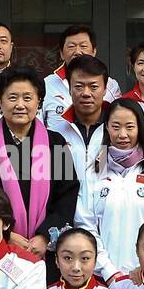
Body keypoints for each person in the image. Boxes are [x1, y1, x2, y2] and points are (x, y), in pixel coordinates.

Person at [0, 66, 79, 276]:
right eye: (12, 97)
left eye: (28, 97)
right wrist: (6, 234)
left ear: (39, 102)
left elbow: (66, 195)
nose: (20, 105)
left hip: (46, 251)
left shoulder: (55, 143)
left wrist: (44, 236)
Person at [75, 98, 144, 281]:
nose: (123, 134)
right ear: (106, 128)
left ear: (140, 128)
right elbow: (85, 225)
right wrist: (108, 271)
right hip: (102, 278)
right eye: (116, 127)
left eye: (129, 127)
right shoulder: (94, 172)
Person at [46, 54, 112, 188]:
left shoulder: (116, 132)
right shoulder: (56, 134)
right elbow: (57, 184)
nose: (86, 93)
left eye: (93, 87)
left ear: (105, 89)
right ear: (69, 89)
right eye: (79, 86)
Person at [41, 25, 121, 124]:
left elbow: (119, 122)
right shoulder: (47, 84)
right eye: (71, 47)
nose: (77, 52)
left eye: (83, 46)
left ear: (94, 51)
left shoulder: (111, 85)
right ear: (61, 53)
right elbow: (33, 128)